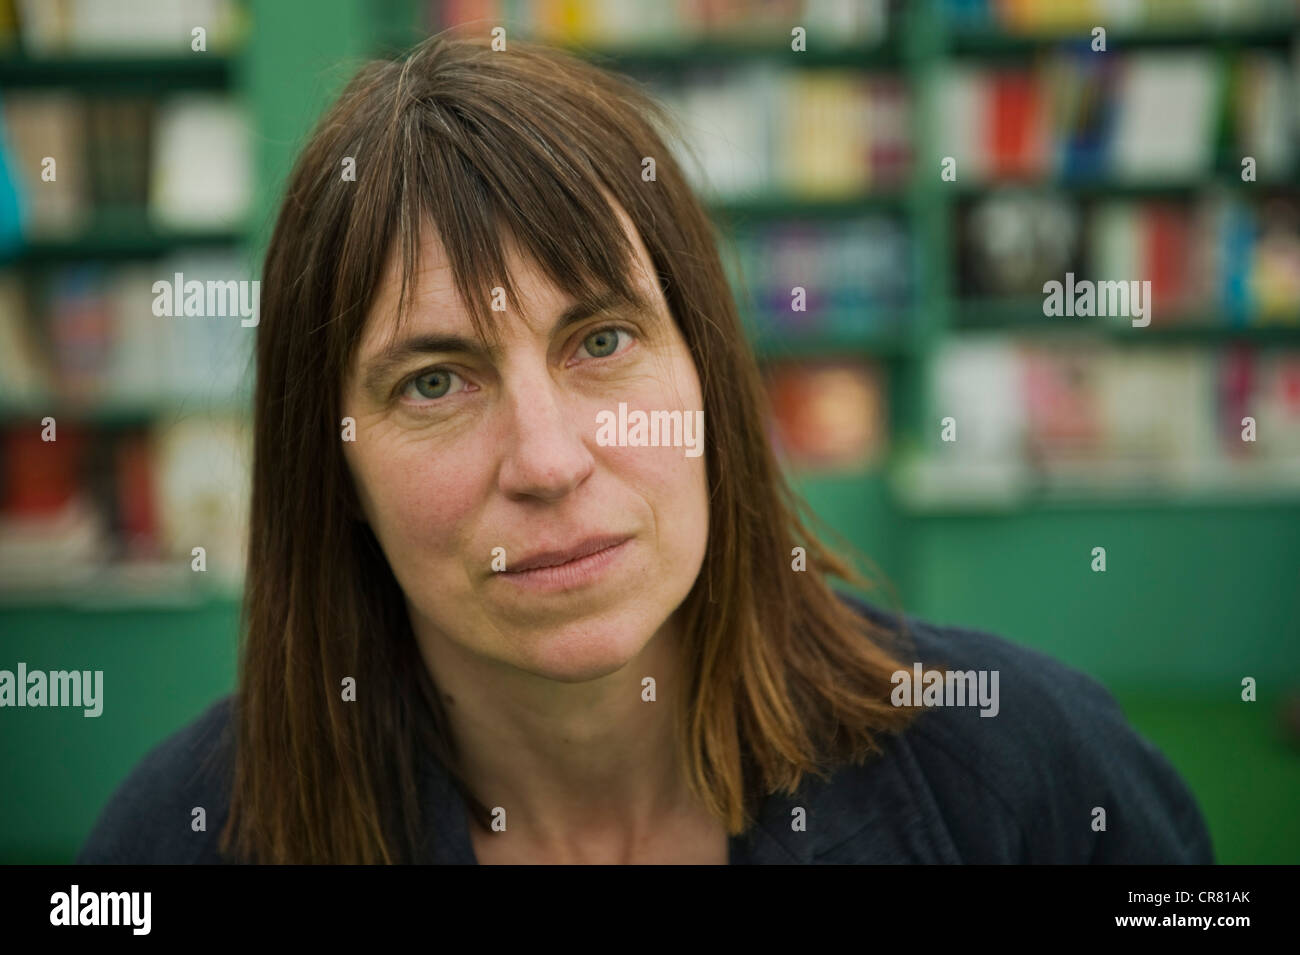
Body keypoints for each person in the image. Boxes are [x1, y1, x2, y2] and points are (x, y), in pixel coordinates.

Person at [77, 31, 1213, 865]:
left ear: (709, 374)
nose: (548, 458)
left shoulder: (1027, 772)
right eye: (434, 380)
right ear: (336, 473)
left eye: (601, 339)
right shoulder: (173, 841)